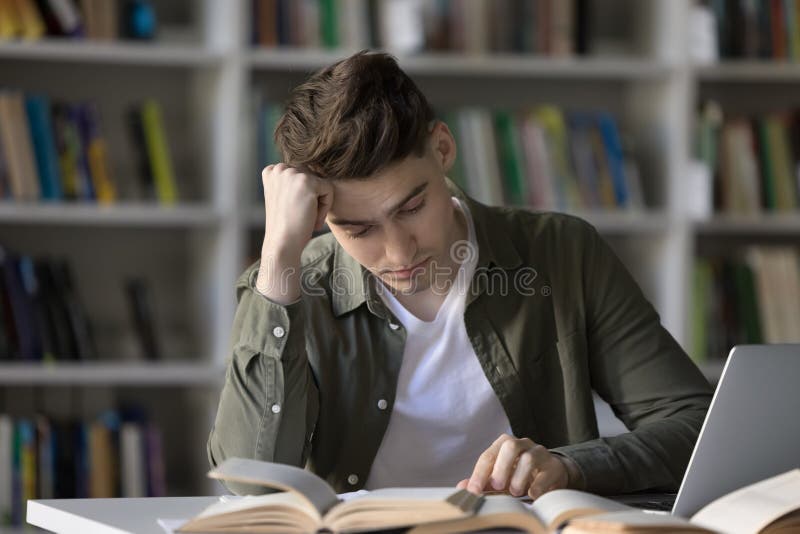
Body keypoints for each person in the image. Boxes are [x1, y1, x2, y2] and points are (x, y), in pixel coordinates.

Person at [207, 51, 712, 499]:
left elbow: (696, 430)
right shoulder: (295, 286)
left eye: (412, 207)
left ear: (443, 149)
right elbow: (249, 482)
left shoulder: (562, 252)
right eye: (358, 229)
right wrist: (277, 259)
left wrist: (568, 466)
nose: (398, 251)